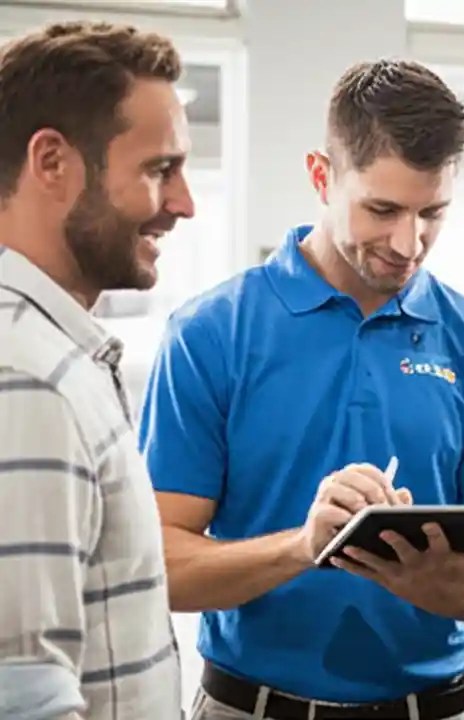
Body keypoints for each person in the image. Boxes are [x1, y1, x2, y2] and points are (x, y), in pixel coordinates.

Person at [138, 57, 464, 720]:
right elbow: (159, 567)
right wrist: (306, 546)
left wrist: (452, 592)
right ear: (322, 177)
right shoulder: (210, 333)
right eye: (382, 209)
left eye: (432, 213)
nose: (409, 243)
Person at [0, 20, 195, 720]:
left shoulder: (56, 354)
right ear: (52, 162)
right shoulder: (27, 377)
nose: (184, 203)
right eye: (159, 170)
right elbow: (22, 698)